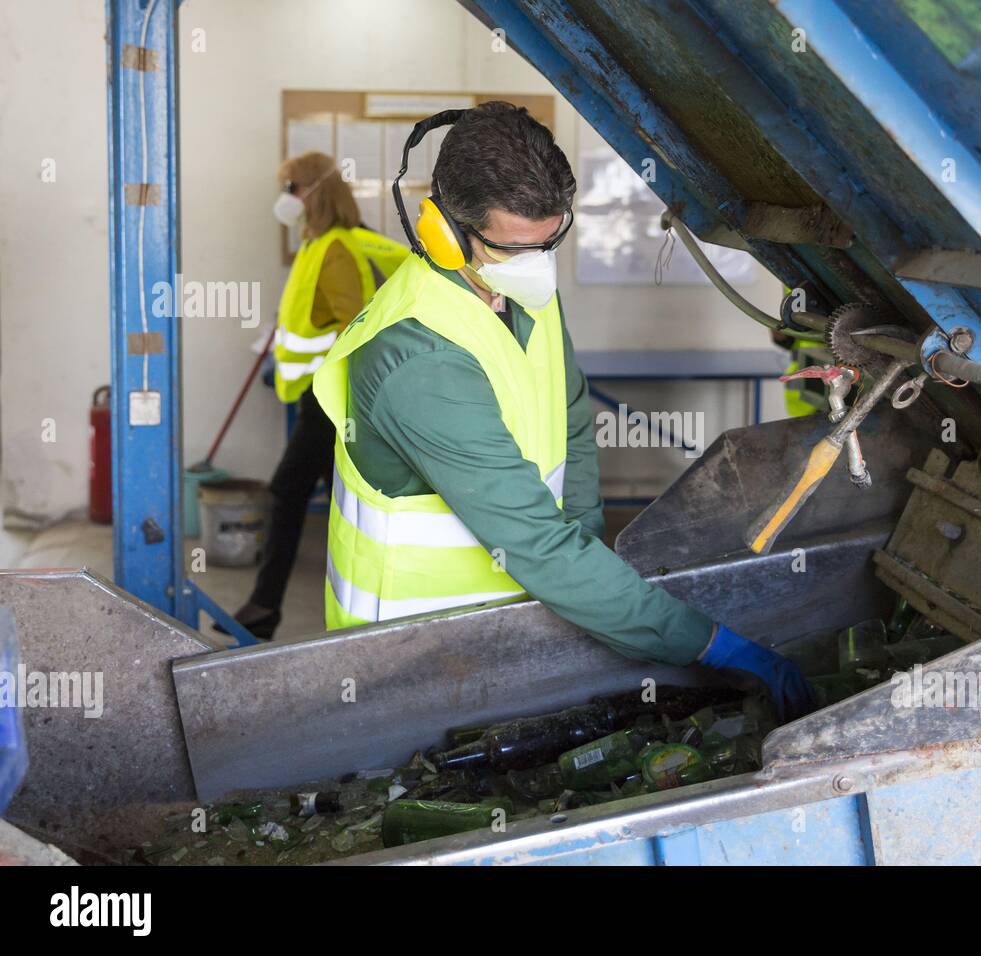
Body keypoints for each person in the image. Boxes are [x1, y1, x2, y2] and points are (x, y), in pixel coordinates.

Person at [313, 103, 813, 722]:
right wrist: (711, 644)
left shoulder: (521, 290)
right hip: (410, 662)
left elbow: (573, 419)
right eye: (514, 247)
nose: (538, 263)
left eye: (551, 240)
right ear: (441, 230)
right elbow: (537, 545)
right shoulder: (418, 358)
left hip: (512, 625)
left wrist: (586, 560)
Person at [222, 151, 409, 640]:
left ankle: (265, 609)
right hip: (321, 396)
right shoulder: (318, 243)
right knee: (339, 506)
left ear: (314, 192)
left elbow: (356, 325)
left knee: (289, 492)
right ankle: (349, 613)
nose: (285, 200)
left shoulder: (337, 249)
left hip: (331, 399)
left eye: (291, 189)